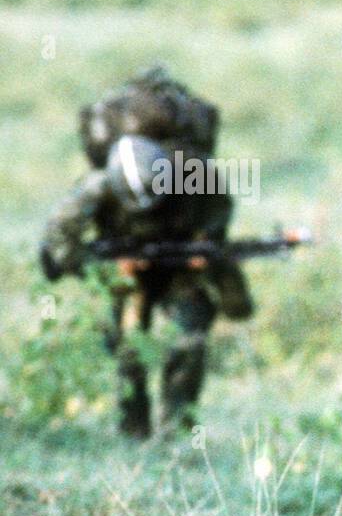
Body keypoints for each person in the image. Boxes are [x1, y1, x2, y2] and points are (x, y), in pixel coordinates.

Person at [39, 66, 253, 438]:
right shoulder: (96, 188)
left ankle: (178, 430)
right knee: (128, 348)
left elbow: (220, 211)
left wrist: (205, 242)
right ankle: (132, 430)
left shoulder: (196, 172)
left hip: (181, 264)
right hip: (127, 274)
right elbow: (58, 244)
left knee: (189, 340)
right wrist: (103, 266)